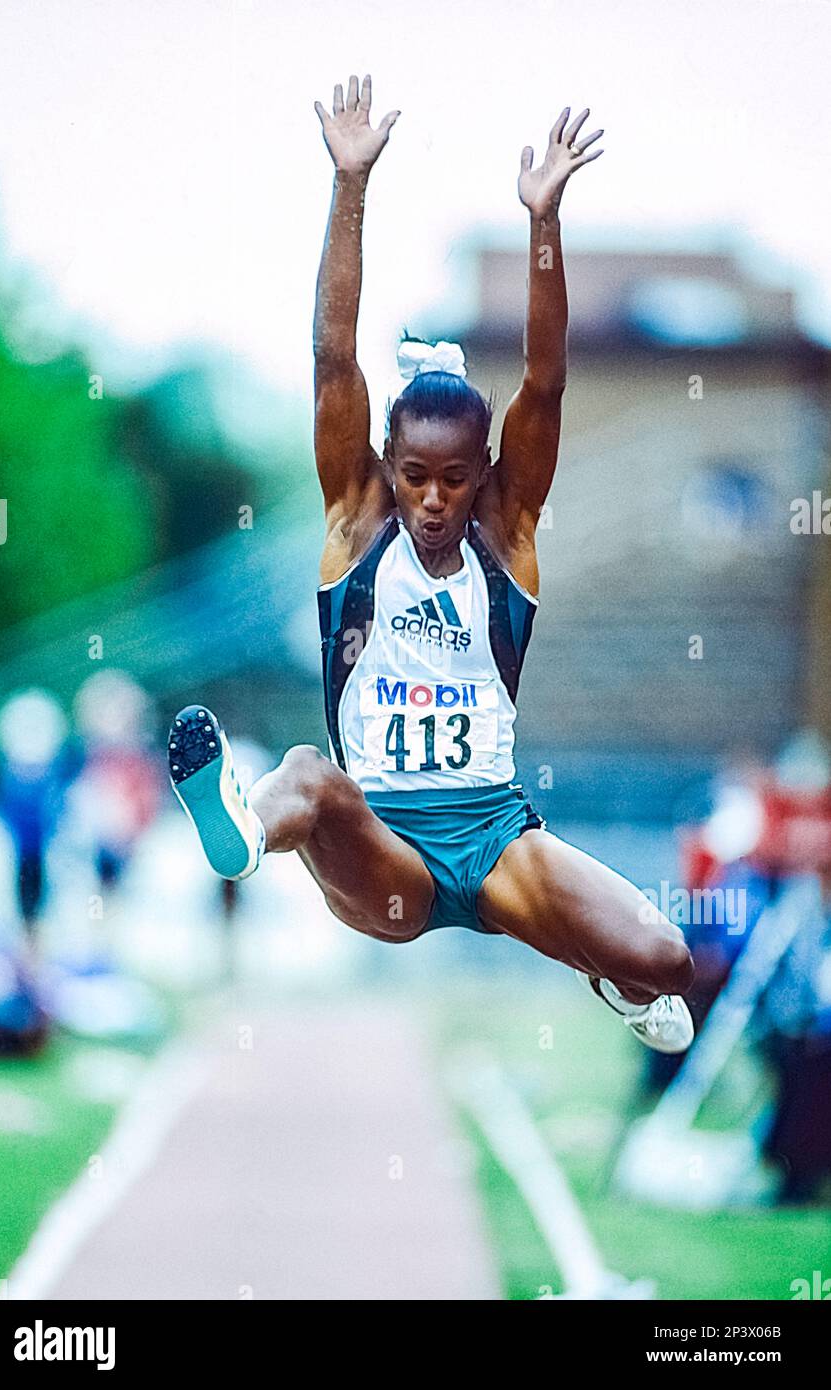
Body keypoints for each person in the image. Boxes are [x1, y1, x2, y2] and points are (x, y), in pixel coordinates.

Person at [169, 74, 694, 1054]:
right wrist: (351, 183)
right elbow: (333, 361)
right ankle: (244, 829)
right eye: (416, 476)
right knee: (313, 774)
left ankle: (612, 974)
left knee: (668, 959)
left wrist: (545, 221)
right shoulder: (355, 521)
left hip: (496, 838)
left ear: (483, 472)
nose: (436, 501)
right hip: (384, 851)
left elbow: (546, 377)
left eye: (456, 479)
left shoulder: (511, 536)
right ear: (387, 468)